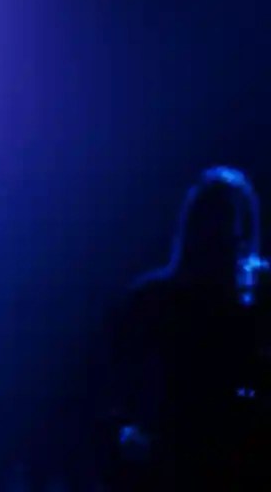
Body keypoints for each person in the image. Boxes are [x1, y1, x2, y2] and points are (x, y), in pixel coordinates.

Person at [110, 166, 271, 489]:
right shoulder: (153, 301)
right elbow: (115, 391)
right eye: (217, 233)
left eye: (233, 237)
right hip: (173, 465)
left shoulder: (252, 308)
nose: (227, 247)